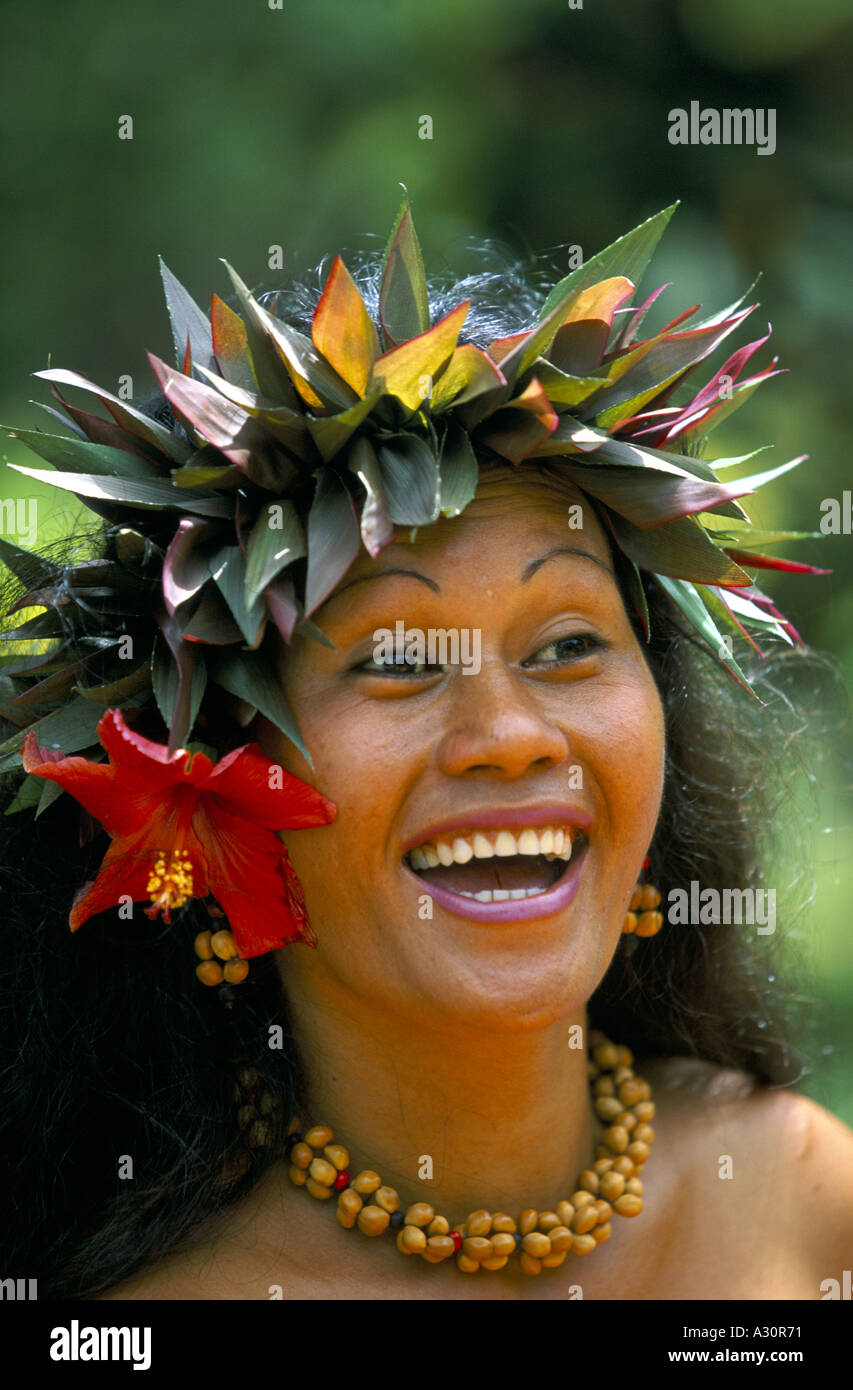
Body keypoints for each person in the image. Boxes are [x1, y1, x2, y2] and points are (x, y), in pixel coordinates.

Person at [1, 197, 851, 1301]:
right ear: (208, 778)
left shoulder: (796, 1197)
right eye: (395, 662)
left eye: (567, 645)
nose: (507, 736)